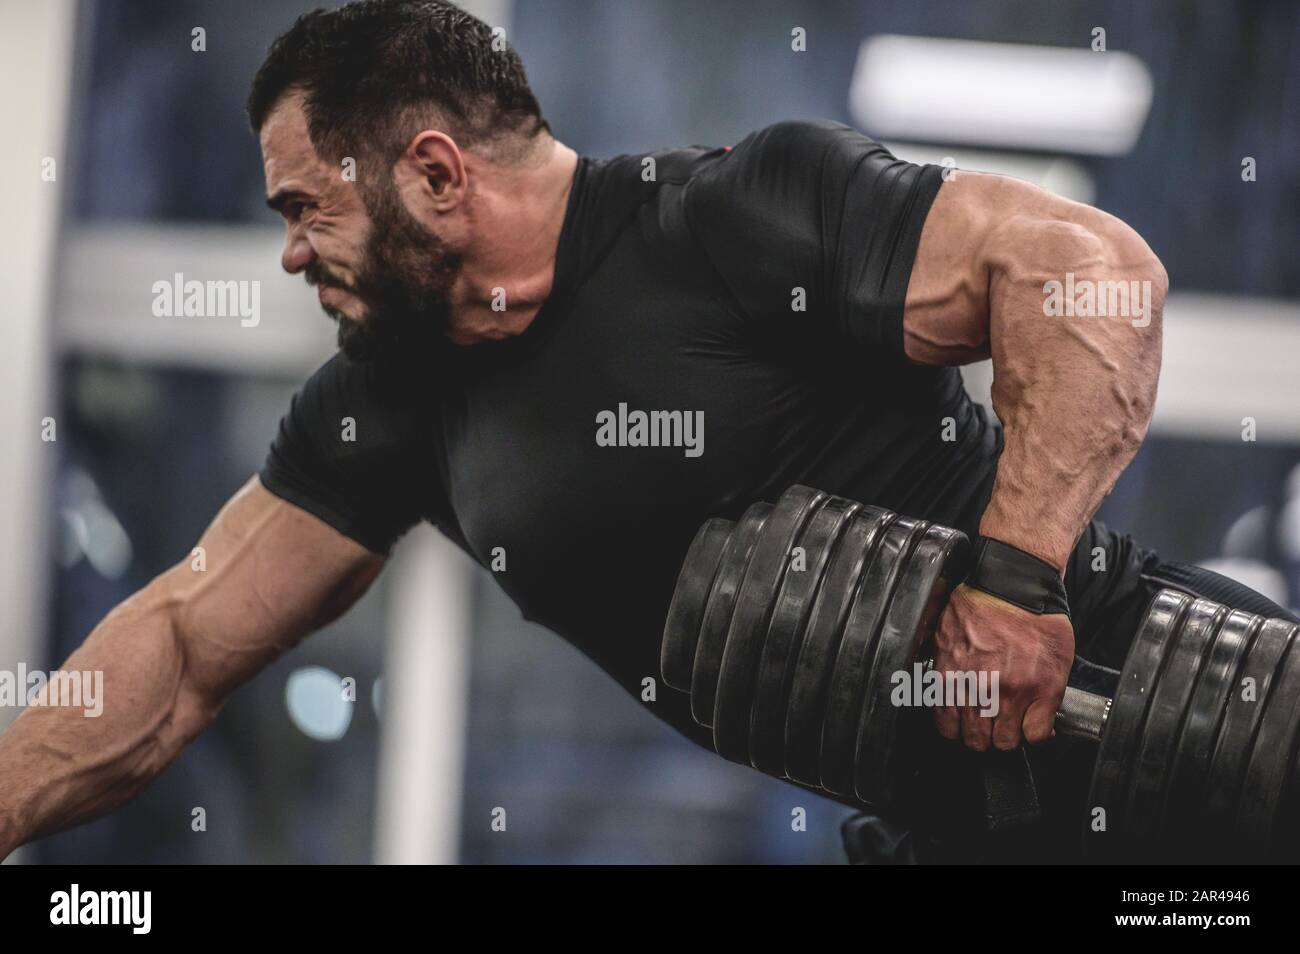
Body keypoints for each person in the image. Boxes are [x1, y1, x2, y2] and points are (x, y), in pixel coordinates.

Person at [0, 0, 1292, 862]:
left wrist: (1015, 580)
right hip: (956, 826)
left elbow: (1090, 273)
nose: (288, 252)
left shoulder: (733, 216)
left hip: (1189, 729)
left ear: (438, 174)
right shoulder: (392, 401)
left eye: (306, 208)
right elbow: (177, 642)